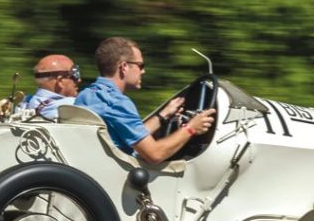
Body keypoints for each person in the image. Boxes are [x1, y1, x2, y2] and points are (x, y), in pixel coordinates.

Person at [75, 37, 216, 165]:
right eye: (140, 65)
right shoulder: (117, 103)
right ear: (124, 67)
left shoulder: (86, 95)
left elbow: (129, 134)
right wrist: (191, 128)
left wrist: (163, 116)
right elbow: (155, 154)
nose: (143, 71)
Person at [23, 54, 81, 119]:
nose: (79, 80)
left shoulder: (23, 103)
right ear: (60, 81)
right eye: (75, 76)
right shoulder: (75, 105)